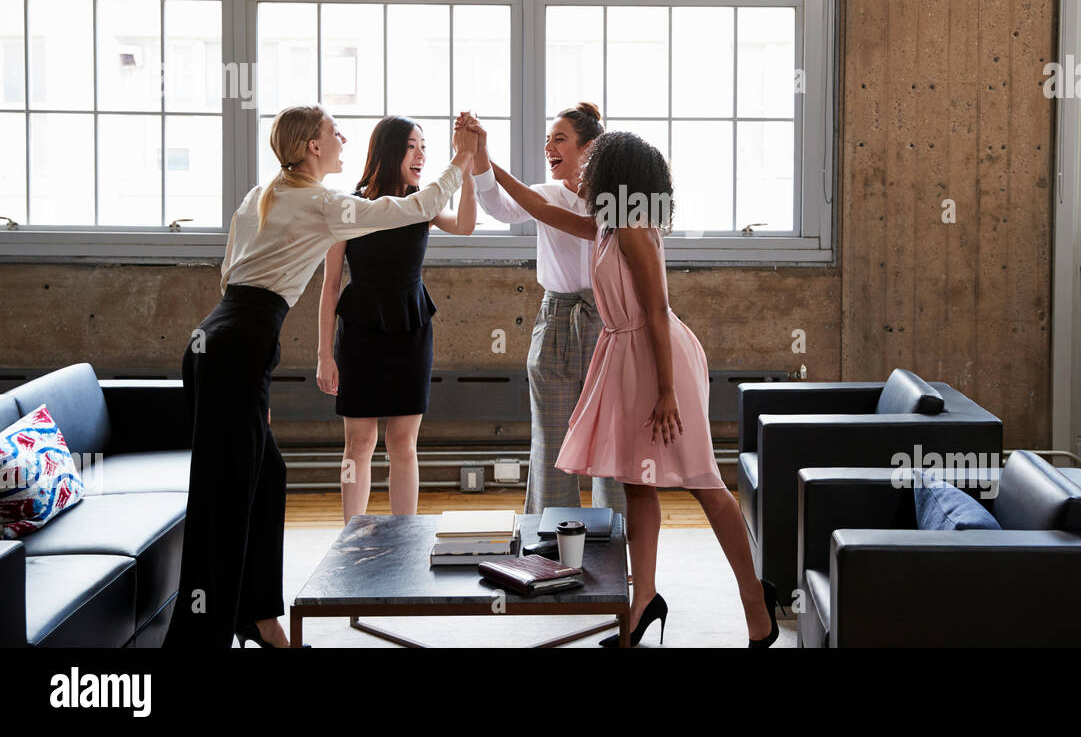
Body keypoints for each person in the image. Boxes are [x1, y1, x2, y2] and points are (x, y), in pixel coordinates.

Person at [164, 105, 478, 649]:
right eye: (335, 134)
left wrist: (251, 370)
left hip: (225, 341)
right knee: (227, 496)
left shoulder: (262, 195)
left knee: (268, 479)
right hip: (237, 348)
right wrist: (464, 157)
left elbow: (230, 275)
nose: (343, 139)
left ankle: (260, 619)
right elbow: (425, 205)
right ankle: (204, 637)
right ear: (313, 146)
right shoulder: (324, 203)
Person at [462, 119, 778, 648]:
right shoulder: (608, 224)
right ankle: (643, 602)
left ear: (615, 174)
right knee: (638, 483)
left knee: (704, 482)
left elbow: (656, 309)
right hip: (625, 352)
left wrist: (667, 390)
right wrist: (483, 160)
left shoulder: (632, 227)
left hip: (656, 359)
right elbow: (541, 210)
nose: (581, 169)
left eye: (591, 163)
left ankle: (755, 601)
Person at [467, 103, 626, 520]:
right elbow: (498, 208)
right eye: (547, 139)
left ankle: (616, 545)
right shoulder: (545, 193)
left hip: (609, 321)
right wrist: (480, 155)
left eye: (559, 139)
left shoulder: (617, 203)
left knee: (611, 441)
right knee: (552, 443)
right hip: (555, 318)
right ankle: (551, 550)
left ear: (589, 147)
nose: (548, 147)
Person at [316, 116, 477, 523]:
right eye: (412, 145)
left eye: (424, 145)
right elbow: (330, 286)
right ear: (389, 151)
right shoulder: (348, 207)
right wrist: (323, 354)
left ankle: (405, 534)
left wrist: (470, 172)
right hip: (359, 331)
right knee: (359, 441)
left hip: (412, 326)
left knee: (403, 442)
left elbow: (466, 226)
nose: (421, 154)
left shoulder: (421, 204)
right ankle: (350, 533)